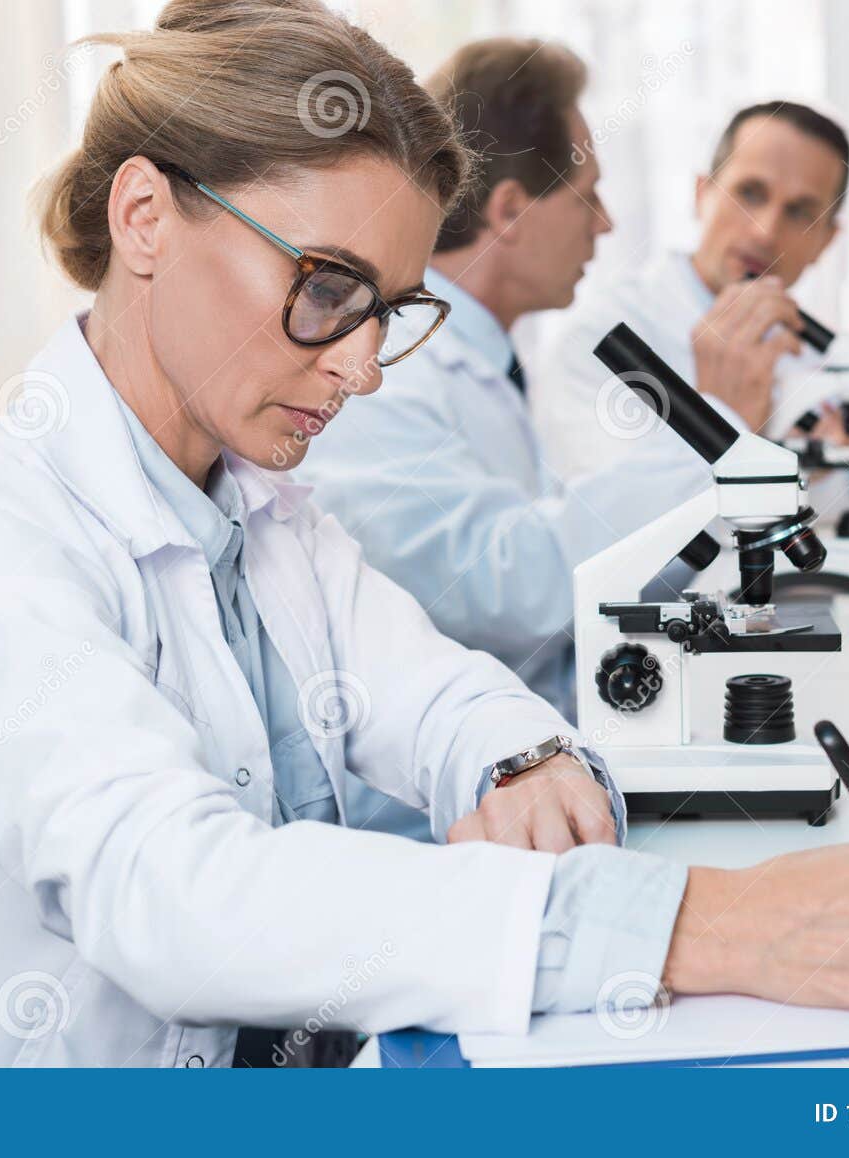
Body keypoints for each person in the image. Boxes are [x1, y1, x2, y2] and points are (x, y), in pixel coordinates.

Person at [0, 0, 849, 1068]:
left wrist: (522, 759)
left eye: (386, 310)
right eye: (326, 289)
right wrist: (698, 924)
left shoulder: (266, 514)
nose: (364, 367)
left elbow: (443, 693)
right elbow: (168, 894)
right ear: (144, 218)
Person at [296, 42, 718, 826]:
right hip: (430, 828)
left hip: (535, 768)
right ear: (511, 209)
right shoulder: (390, 366)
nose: (605, 224)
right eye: (586, 195)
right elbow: (505, 585)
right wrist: (710, 447)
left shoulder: (489, 357)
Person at [534, 100, 849, 516]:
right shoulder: (599, 343)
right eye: (749, 193)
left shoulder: (812, 347)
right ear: (701, 195)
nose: (765, 232)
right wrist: (828, 470)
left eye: (801, 212)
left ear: (827, 241)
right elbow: (631, 524)